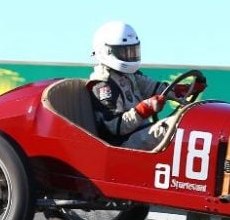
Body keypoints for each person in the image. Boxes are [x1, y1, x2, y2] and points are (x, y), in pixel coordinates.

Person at [87, 20, 205, 150]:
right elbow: (116, 126)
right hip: (122, 145)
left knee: (186, 120)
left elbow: (155, 88)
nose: (130, 56)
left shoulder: (130, 74)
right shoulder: (103, 85)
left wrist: (182, 90)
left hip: (140, 132)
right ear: (106, 51)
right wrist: (145, 108)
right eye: (124, 52)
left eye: (132, 51)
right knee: (176, 125)